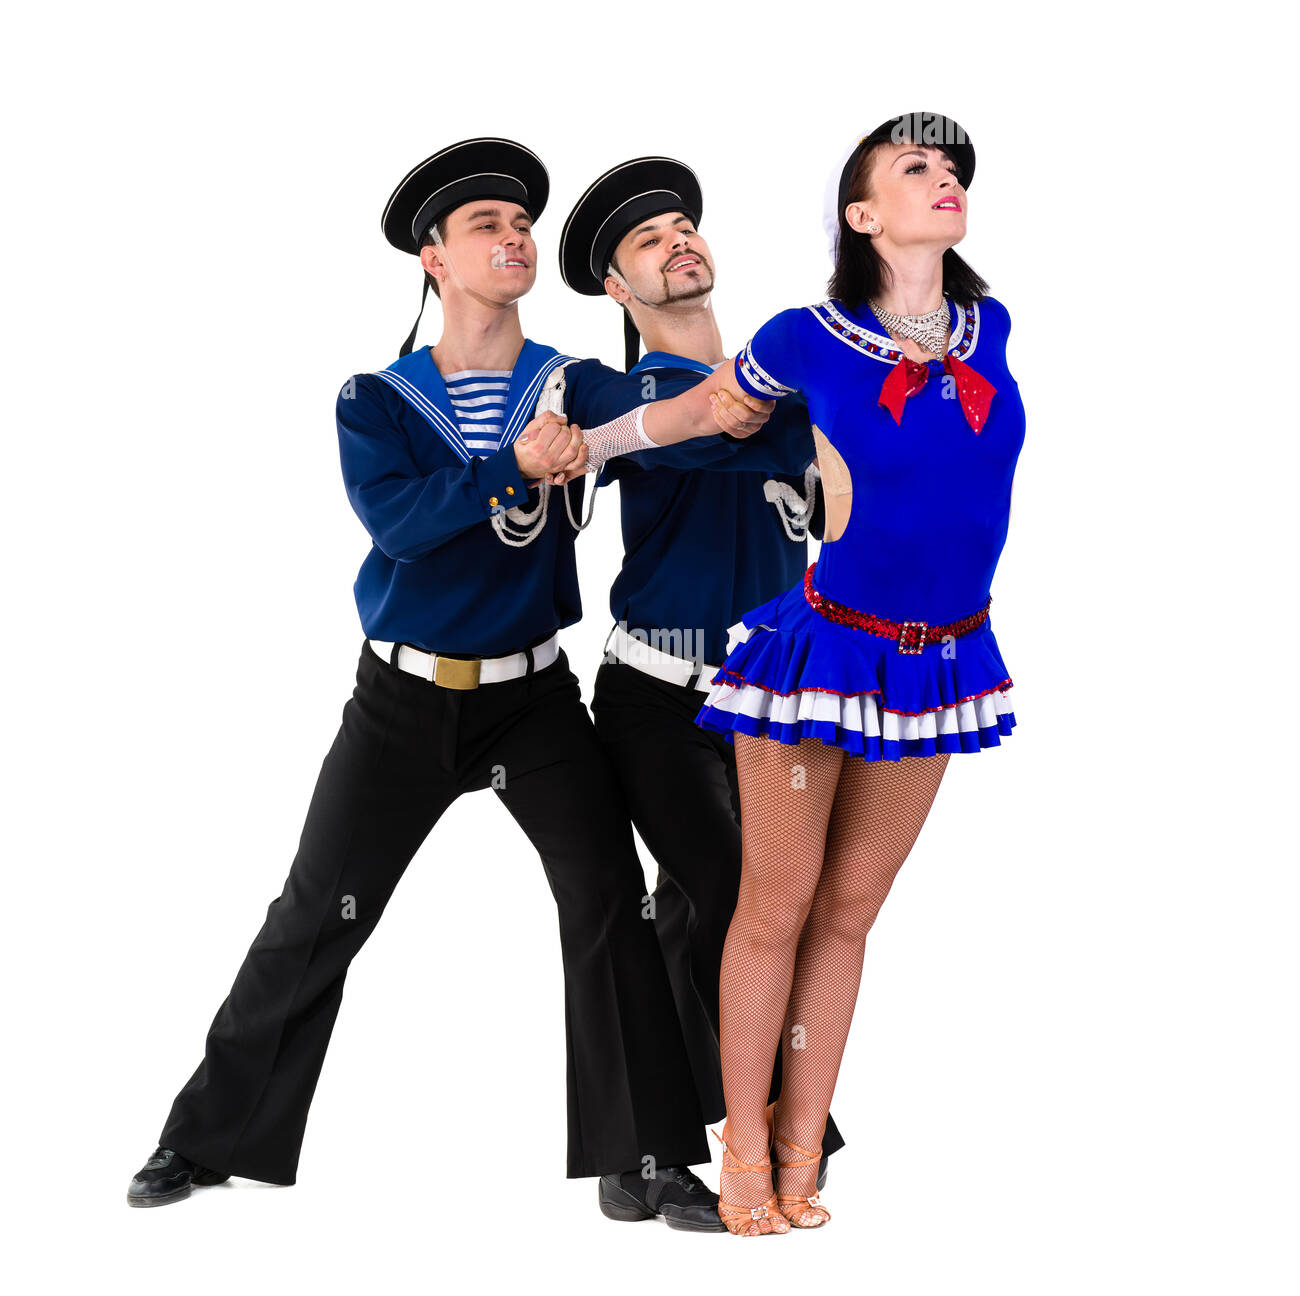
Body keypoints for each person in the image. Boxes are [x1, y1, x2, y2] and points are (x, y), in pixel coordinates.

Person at [126, 137, 759, 1231]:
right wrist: (514, 467)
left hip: (536, 698)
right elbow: (400, 526)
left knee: (606, 899)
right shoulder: (376, 397)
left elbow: (663, 427)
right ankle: (202, 1134)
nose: (514, 236)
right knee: (318, 912)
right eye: (487, 225)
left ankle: (648, 1159)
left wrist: (724, 406)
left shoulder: (574, 384)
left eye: (522, 222)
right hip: (403, 704)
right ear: (434, 259)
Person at [686, 112, 1027, 1235]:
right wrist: (621, 434)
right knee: (776, 904)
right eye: (914, 168)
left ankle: (801, 1148)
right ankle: (740, 1143)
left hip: (938, 661)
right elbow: (719, 409)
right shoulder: (804, 332)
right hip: (818, 657)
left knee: (852, 907)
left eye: (952, 170)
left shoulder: (993, 327)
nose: (944, 181)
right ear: (861, 213)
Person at [557, 157, 847, 1223]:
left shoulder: (780, 385)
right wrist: (817, 427)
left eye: (685, 225)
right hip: (657, 696)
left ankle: (642, 1155)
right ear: (617, 290)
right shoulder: (608, 390)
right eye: (649, 241)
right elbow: (718, 429)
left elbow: (842, 501)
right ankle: (773, 1137)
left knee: (694, 916)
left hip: (771, 700)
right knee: (737, 894)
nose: (679, 240)